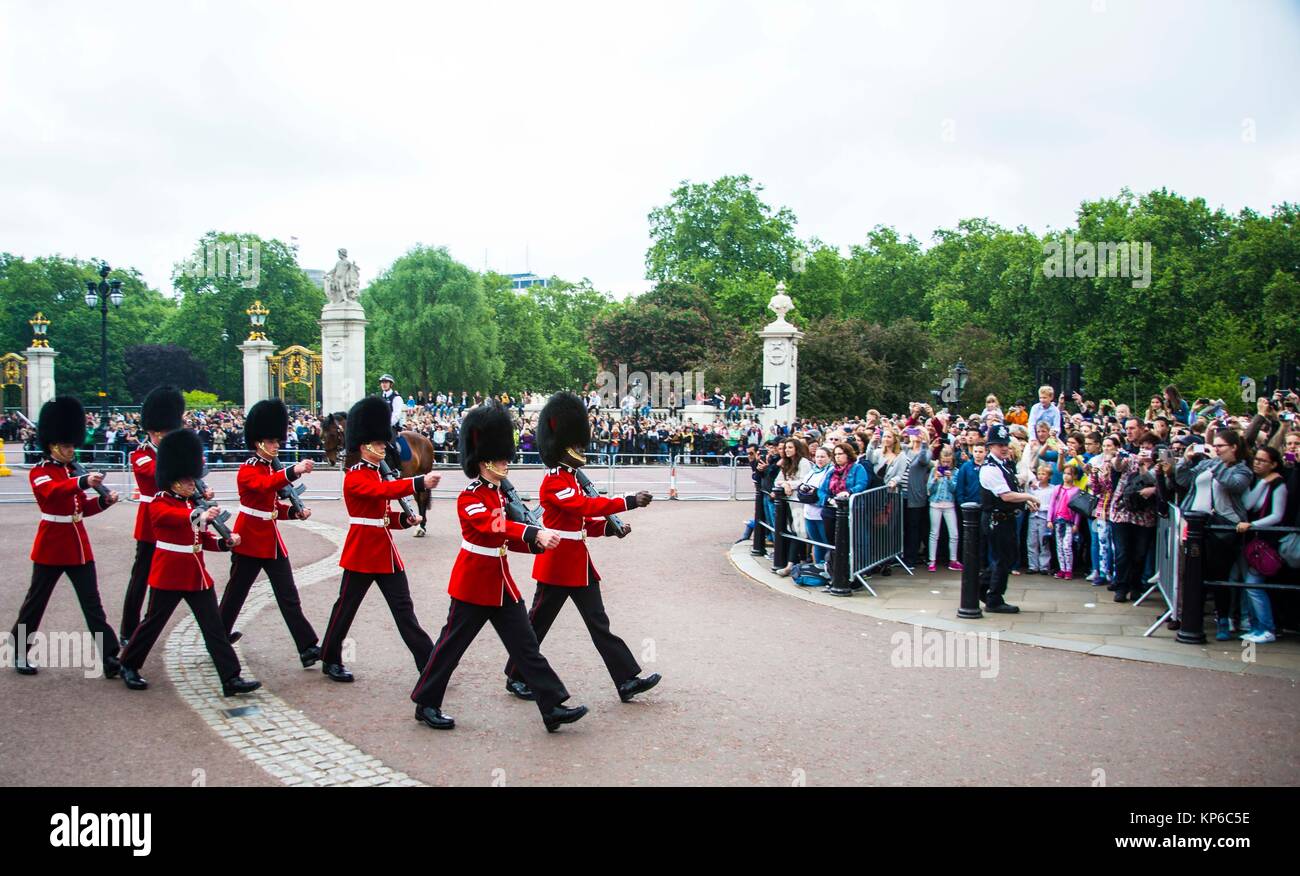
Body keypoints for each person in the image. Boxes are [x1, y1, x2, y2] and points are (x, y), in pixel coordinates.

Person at [411, 401, 588, 732]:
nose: (507, 462)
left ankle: (552, 706)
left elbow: (507, 537)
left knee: (527, 648)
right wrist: (533, 532)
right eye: (501, 457)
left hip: (502, 585)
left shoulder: (498, 496)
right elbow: (496, 528)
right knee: (451, 647)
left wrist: (536, 544)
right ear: (483, 461)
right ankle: (426, 702)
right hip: (474, 586)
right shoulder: (471, 497)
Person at [503, 392, 660, 703]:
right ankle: (516, 675)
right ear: (561, 445)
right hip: (557, 565)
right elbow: (584, 507)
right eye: (575, 444)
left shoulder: (571, 477)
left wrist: (610, 530)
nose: (580, 449)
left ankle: (627, 679)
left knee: (599, 624)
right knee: (537, 625)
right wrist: (628, 501)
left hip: (579, 563)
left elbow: (583, 524)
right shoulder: (554, 481)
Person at [118, 429, 260, 696]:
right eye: (186, 481)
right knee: (152, 623)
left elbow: (200, 538)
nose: (191, 485)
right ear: (172, 481)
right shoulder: (160, 503)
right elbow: (175, 520)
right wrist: (202, 515)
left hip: (196, 575)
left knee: (214, 627)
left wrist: (223, 543)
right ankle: (128, 663)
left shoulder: (186, 503)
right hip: (169, 574)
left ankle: (231, 678)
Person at [319, 396, 439, 683]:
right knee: (346, 609)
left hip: (384, 552)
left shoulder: (376, 474)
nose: (385, 446)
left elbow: (382, 514)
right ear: (364, 446)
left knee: (404, 610)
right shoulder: (356, 475)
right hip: (362, 552)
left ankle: (429, 662)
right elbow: (380, 494)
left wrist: (404, 520)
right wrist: (419, 482)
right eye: (380, 443)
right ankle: (330, 657)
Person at [10, 396, 122, 678]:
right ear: (52, 445)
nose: (71, 450)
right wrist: (82, 482)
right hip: (51, 545)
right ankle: (20, 650)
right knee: (36, 602)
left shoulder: (69, 472)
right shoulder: (40, 472)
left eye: (72, 445)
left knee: (93, 604)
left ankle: (109, 657)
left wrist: (104, 502)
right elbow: (54, 494)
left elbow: (80, 508)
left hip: (78, 546)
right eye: (67, 446)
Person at [218, 398, 321, 667]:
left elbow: (273, 505)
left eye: (277, 441)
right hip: (249, 540)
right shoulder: (248, 470)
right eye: (272, 441)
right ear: (258, 442)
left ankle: (307, 646)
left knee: (288, 596)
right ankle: (217, 638)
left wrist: (293, 512)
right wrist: (293, 470)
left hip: (271, 541)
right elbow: (265, 486)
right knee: (236, 594)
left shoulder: (268, 468)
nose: (277, 445)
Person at [120, 385, 185, 649]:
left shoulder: (171, 454)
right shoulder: (141, 455)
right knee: (141, 578)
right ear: (154, 431)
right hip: (150, 521)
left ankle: (147, 627)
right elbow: (154, 476)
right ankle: (128, 628)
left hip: (172, 519)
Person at [979, 424, 1040, 613]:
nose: (1004, 447)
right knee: (1001, 559)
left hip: (1006, 518)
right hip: (996, 519)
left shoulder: (1004, 464)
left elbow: (1013, 491)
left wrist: (1023, 502)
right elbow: (1006, 496)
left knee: (1008, 556)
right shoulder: (990, 468)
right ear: (990, 446)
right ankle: (993, 598)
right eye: (999, 444)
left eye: (1005, 443)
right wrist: (1029, 497)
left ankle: (982, 586)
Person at [1233, 446, 1287, 644]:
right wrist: (1264, 482)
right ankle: (1257, 626)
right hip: (1253, 540)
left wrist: (1253, 525)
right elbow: (1248, 504)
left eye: (1263, 461)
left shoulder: (1279, 484)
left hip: (1265, 541)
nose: (1257, 463)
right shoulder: (1259, 481)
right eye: (1256, 459)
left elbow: (1277, 515)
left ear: (1273, 464)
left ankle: (1267, 627)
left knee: (1254, 585)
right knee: (1250, 585)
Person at [927, 446, 962, 572]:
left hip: (949, 504)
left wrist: (949, 478)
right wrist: (935, 479)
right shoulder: (934, 470)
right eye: (944, 462)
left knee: (954, 533)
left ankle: (953, 560)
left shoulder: (956, 471)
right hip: (935, 504)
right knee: (934, 533)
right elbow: (929, 489)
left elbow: (954, 490)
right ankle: (932, 561)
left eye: (948, 462)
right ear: (940, 460)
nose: (946, 464)